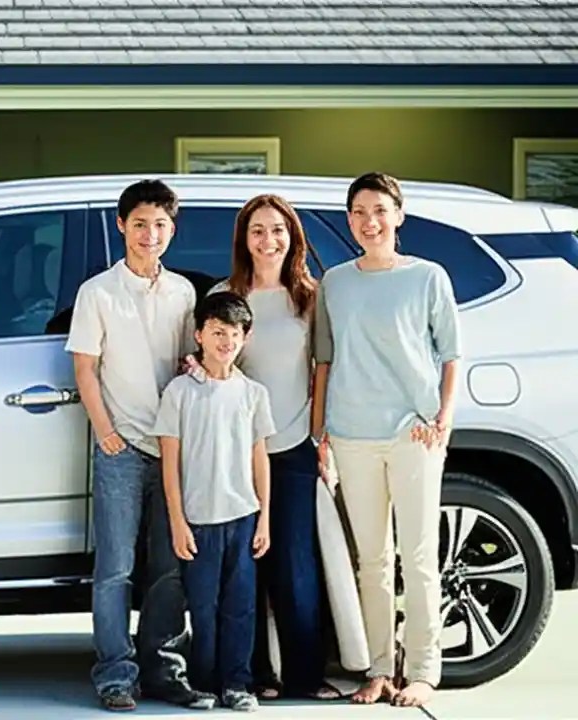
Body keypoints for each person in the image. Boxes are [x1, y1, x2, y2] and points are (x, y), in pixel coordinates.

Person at [312, 172, 460, 708]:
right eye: (358, 212)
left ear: (398, 215)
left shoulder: (427, 277)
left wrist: (442, 417)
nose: (368, 221)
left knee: (418, 557)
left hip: (412, 434)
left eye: (379, 210)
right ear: (349, 220)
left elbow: (449, 355)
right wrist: (320, 430)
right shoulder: (336, 282)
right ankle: (378, 668)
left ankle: (421, 669)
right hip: (352, 435)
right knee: (370, 560)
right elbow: (324, 359)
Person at [66, 179, 215, 712]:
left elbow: (183, 362)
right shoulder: (98, 293)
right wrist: (106, 433)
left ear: (172, 230)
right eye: (139, 224)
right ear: (121, 226)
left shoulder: (182, 293)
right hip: (121, 447)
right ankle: (114, 674)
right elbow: (85, 367)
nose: (149, 235)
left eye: (159, 225)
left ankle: (163, 670)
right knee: (114, 569)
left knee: (170, 567)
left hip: (173, 448)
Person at [208, 195, 341, 701]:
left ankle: (306, 675)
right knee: (246, 566)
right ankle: (255, 673)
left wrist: (318, 433)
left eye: (278, 230)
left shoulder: (310, 296)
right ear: (244, 238)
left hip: (291, 445)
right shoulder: (225, 294)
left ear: (293, 237)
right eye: (258, 230)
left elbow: (322, 367)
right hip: (234, 449)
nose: (269, 241)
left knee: (295, 563)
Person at [154, 291, 274, 713]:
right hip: (199, 520)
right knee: (203, 608)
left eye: (235, 333)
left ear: (246, 337)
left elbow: (260, 458)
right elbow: (170, 463)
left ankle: (237, 683)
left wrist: (264, 520)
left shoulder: (253, 393)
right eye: (217, 332)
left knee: (241, 606)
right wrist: (178, 520)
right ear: (199, 334)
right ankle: (203, 682)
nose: (226, 341)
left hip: (242, 517)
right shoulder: (179, 392)